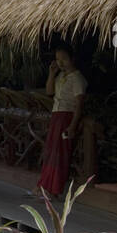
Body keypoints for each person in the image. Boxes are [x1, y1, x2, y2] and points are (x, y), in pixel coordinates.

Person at [37, 44, 87, 198]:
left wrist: (72, 126)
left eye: (64, 59)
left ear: (72, 59)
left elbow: (79, 104)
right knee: (51, 152)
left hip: (66, 117)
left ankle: (54, 189)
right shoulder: (60, 76)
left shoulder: (78, 78)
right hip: (56, 115)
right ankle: (45, 186)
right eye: (58, 59)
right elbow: (49, 92)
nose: (61, 63)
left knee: (60, 154)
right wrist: (52, 74)